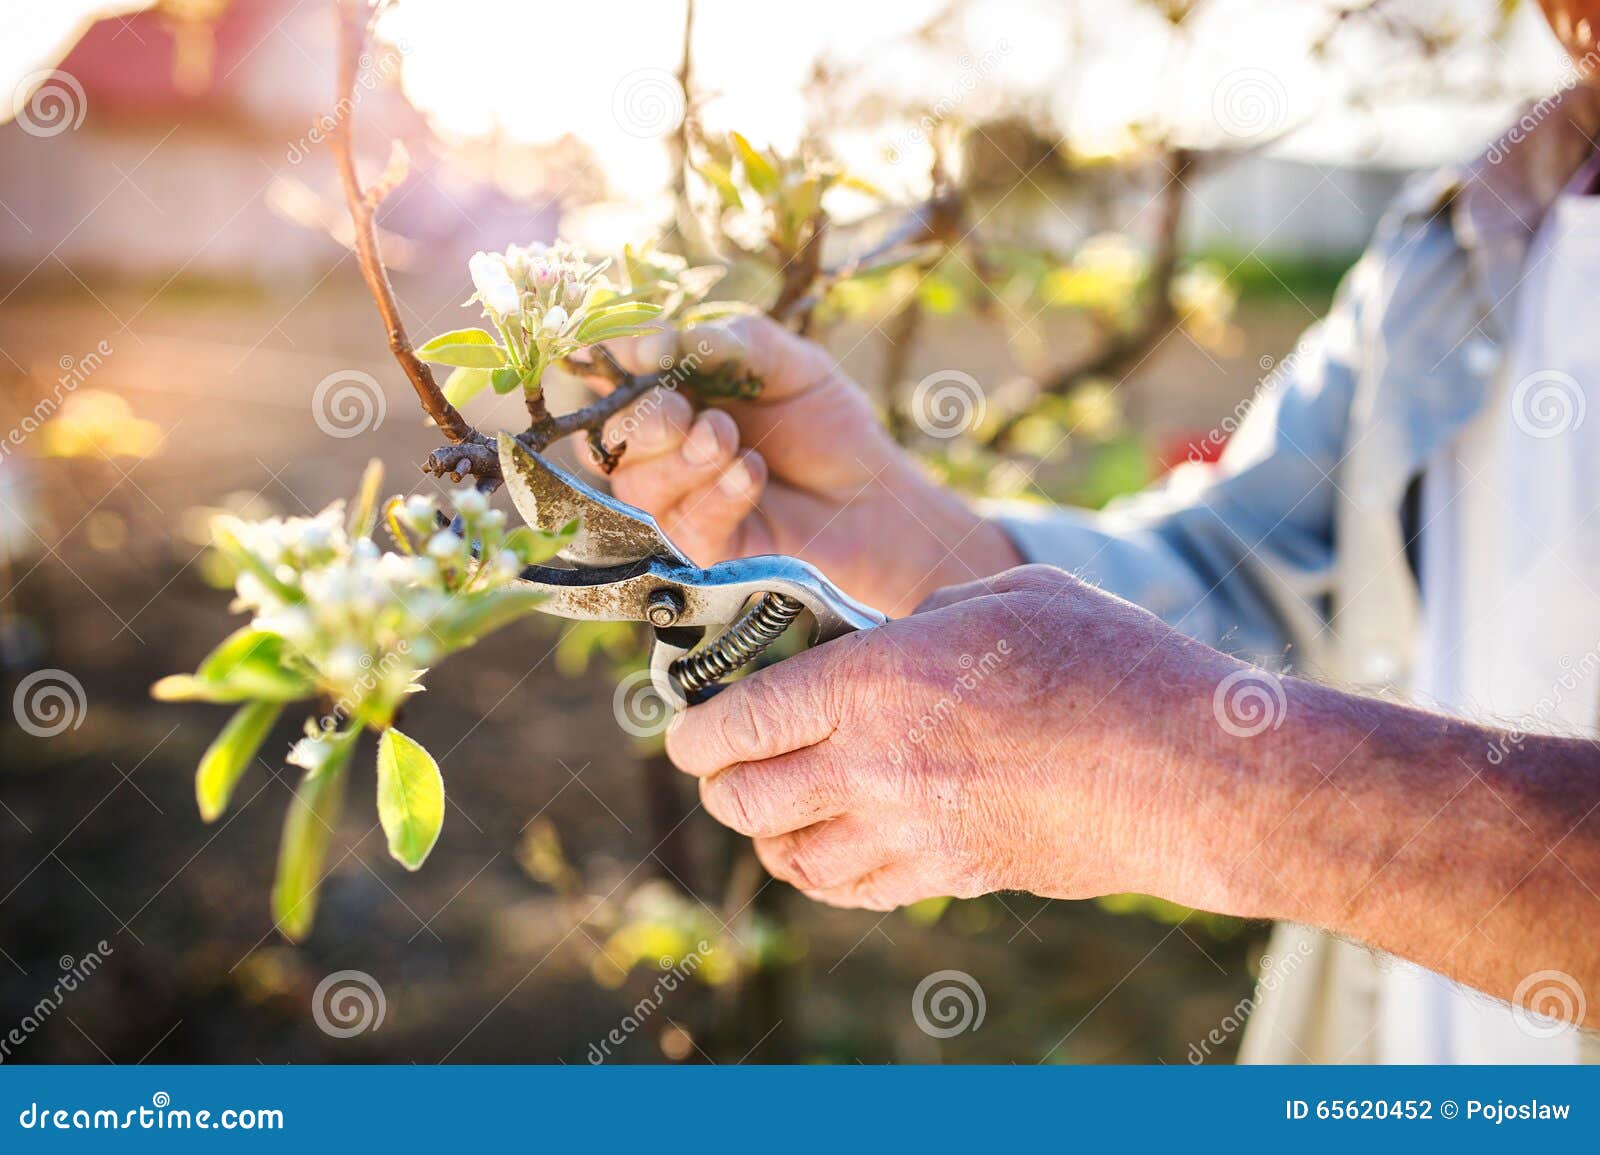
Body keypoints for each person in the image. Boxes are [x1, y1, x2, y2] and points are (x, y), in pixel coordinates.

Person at [581, 0, 1600, 1062]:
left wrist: (1209, 781)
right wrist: (876, 515)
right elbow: (1241, 578)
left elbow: (1216, 734)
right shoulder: (1463, 237)